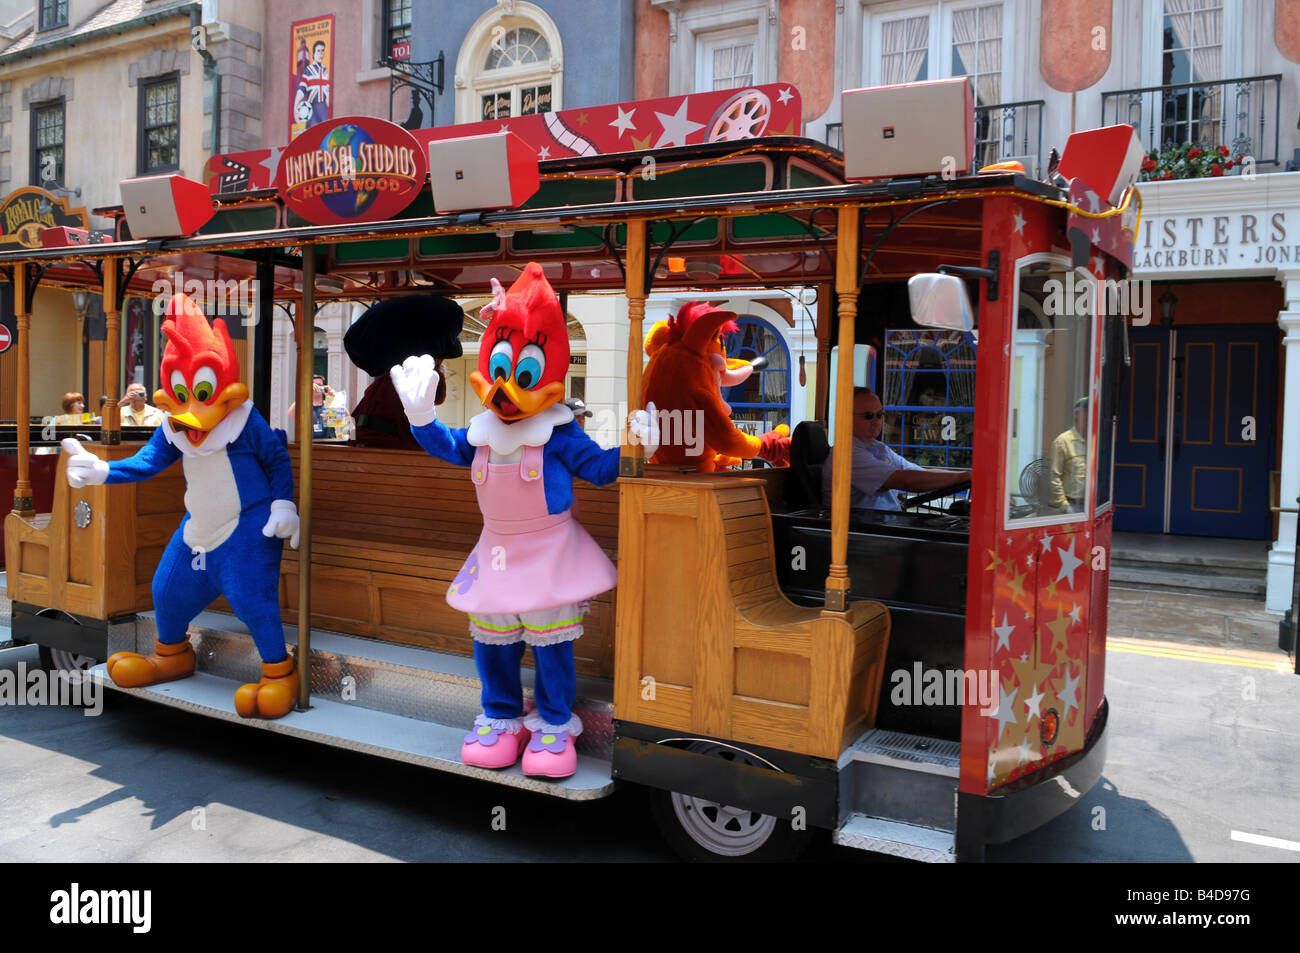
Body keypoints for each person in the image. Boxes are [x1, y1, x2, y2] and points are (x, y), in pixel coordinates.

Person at [822, 387, 968, 512]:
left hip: (886, 524)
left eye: (880, 415)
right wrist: (960, 478)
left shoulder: (878, 448)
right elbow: (905, 481)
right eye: (868, 416)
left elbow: (918, 473)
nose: (877, 421)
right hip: (866, 533)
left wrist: (966, 475)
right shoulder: (846, 455)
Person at [1050, 397, 1089, 512]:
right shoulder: (1063, 441)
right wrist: (1064, 505)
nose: (1089, 416)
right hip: (1072, 503)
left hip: (1091, 504)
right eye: (1086, 411)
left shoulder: (1094, 440)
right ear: (1077, 414)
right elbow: (1054, 476)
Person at [293, 40, 330, 129]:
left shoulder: (325, 71)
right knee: (313, 131)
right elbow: (302, 89)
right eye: (318, 51)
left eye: (322, 51)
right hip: (313, 106)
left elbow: (328, 90)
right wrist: (295, 106)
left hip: (323, 106)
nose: (320, 53)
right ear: (313, 53)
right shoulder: (309, 70)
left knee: (325, 130)